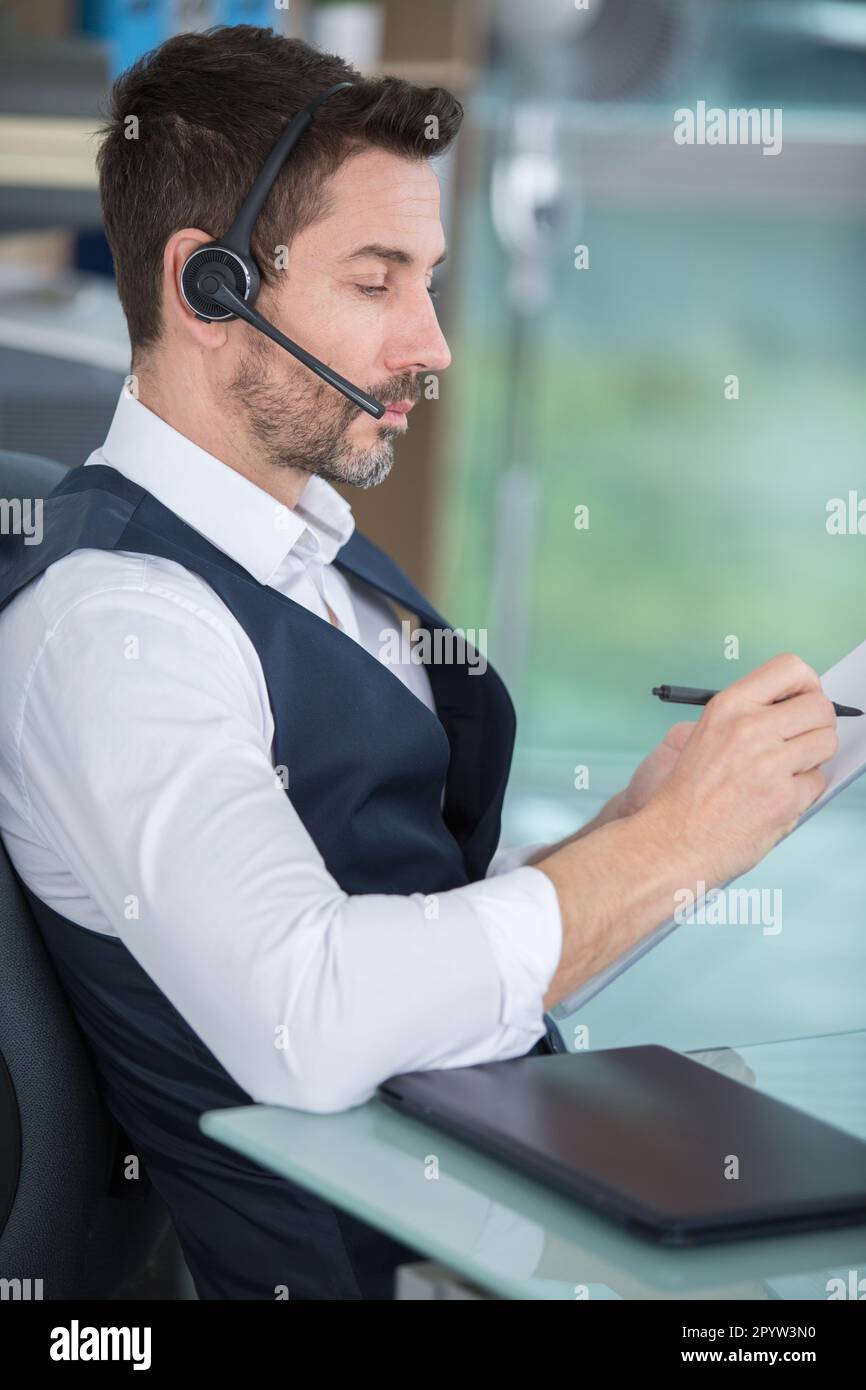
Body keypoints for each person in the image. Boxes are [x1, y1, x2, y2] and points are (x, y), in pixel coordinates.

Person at [0, 25, 837, 1300]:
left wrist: (641, 828)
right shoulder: (117, 632)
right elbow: (312, 1015)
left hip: (498, 1198)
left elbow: (414, 927)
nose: (432, 344)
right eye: (375, 282)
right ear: (207, 287)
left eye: (428, 281)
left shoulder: (311, 557)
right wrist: (672, 849)